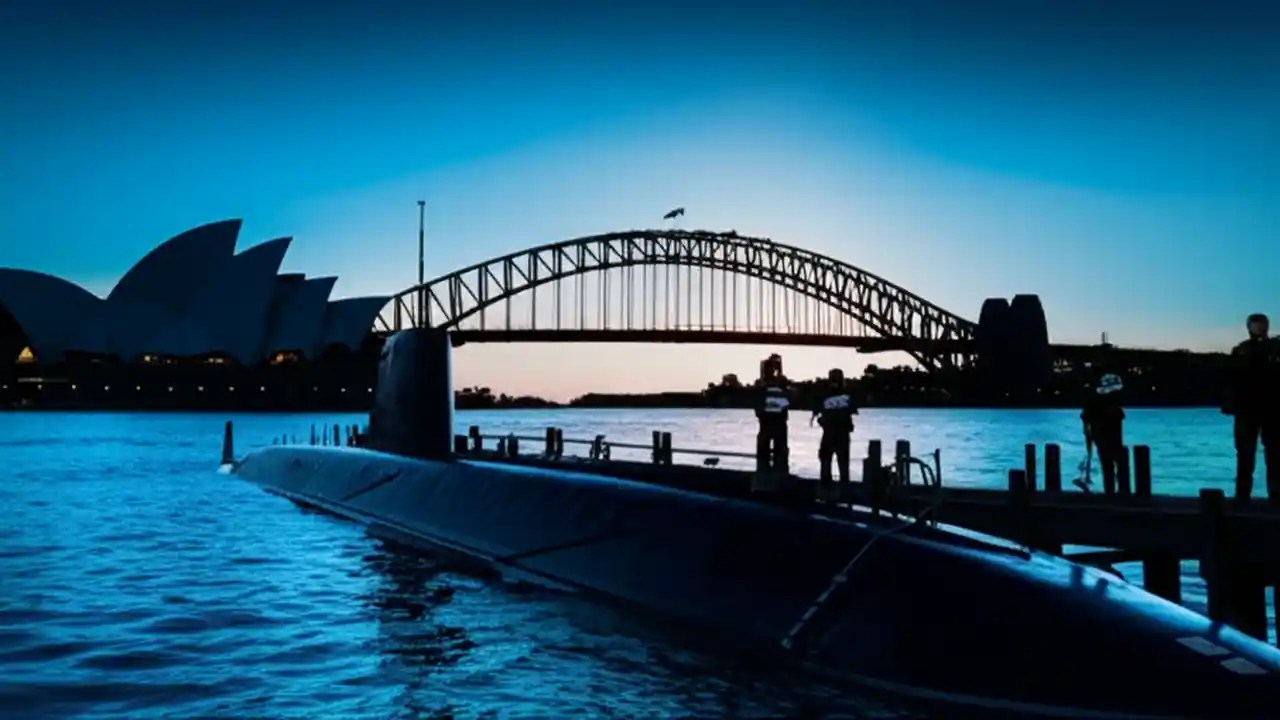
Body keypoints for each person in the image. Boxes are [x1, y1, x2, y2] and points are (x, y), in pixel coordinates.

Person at [1223, 313, 1280, 504]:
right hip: (1247, 409)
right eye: (1256, 325)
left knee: (1274, 454)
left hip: (1271, 409)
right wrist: (1230, 404)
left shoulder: (1275, 349)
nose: (1260, 329)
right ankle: (1242, 496)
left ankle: (1275, 496)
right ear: (1249, 327)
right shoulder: (1241, 351)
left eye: (1262, 325)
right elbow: (1231, 379)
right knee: (1245, 455)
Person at [1081, 372, 1126, 494]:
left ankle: (1113, 491)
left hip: (1105, 438)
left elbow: (1085, 419)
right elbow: (1086, 419)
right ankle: (1113, 492)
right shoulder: (1102, 404)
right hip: (1105, 438)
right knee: (1110, 464)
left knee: (1111, 464)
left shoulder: (1104, 403)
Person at [813, 368, 857, 485]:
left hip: (828, 433)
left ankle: (826, 485)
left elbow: (817, 411)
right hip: (843, 432)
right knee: (843, 462)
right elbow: (853, 409)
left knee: (825, 460)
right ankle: (844, 486)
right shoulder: (847, 396)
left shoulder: (824, 395)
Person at [755, 353, 789, 479]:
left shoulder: (781, 381)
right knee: (764, 448)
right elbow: (757, 400)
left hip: (778, 420)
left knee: (780, 448)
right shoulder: (761, 383)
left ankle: (780, 472)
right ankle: (763, 472)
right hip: (766, 420)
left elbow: (787, 395)